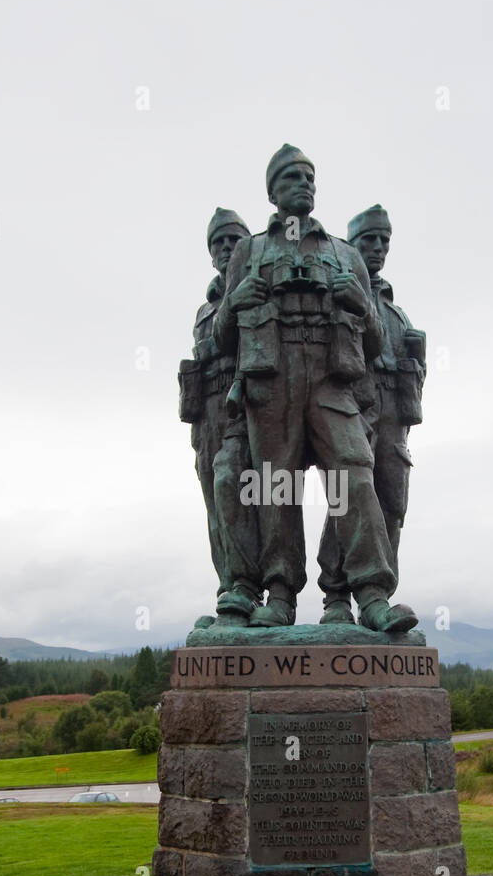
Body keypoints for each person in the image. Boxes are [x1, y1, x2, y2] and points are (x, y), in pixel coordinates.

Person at [213, 146, 418, 633]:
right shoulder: (250, 250)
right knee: (275, 487)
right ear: (272, 192)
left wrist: (362, 306)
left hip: (330, 381)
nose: (303, 184)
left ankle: (371, 593)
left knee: (354, 477)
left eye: (309, 176)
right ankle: (280, 594)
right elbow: (222, 339)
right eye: (291, 178)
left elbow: (371, 341)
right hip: (273, 382)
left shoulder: (344, 255)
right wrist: (234, 302)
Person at [317, 205, 426, 622]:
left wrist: (419, 357)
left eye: (384, 240)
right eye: (369, 240)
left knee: (392, 504)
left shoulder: (398, 314)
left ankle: (379, 594)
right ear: (352, 246)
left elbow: (415, 380)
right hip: (355, 407)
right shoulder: (339, 293)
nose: (378, 248)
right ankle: (338, 596)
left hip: (395, 420)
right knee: (350, 496)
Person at [179, 208, 263, 623]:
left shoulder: (256, 287)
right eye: (219, 243)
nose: (226, 249)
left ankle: (250, 588)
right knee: (214, 501)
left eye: (233, 240)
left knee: (242, 489)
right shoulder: (205, 307)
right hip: (206, 410)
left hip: (244, 402)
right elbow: (206, 349)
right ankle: (228, 588)